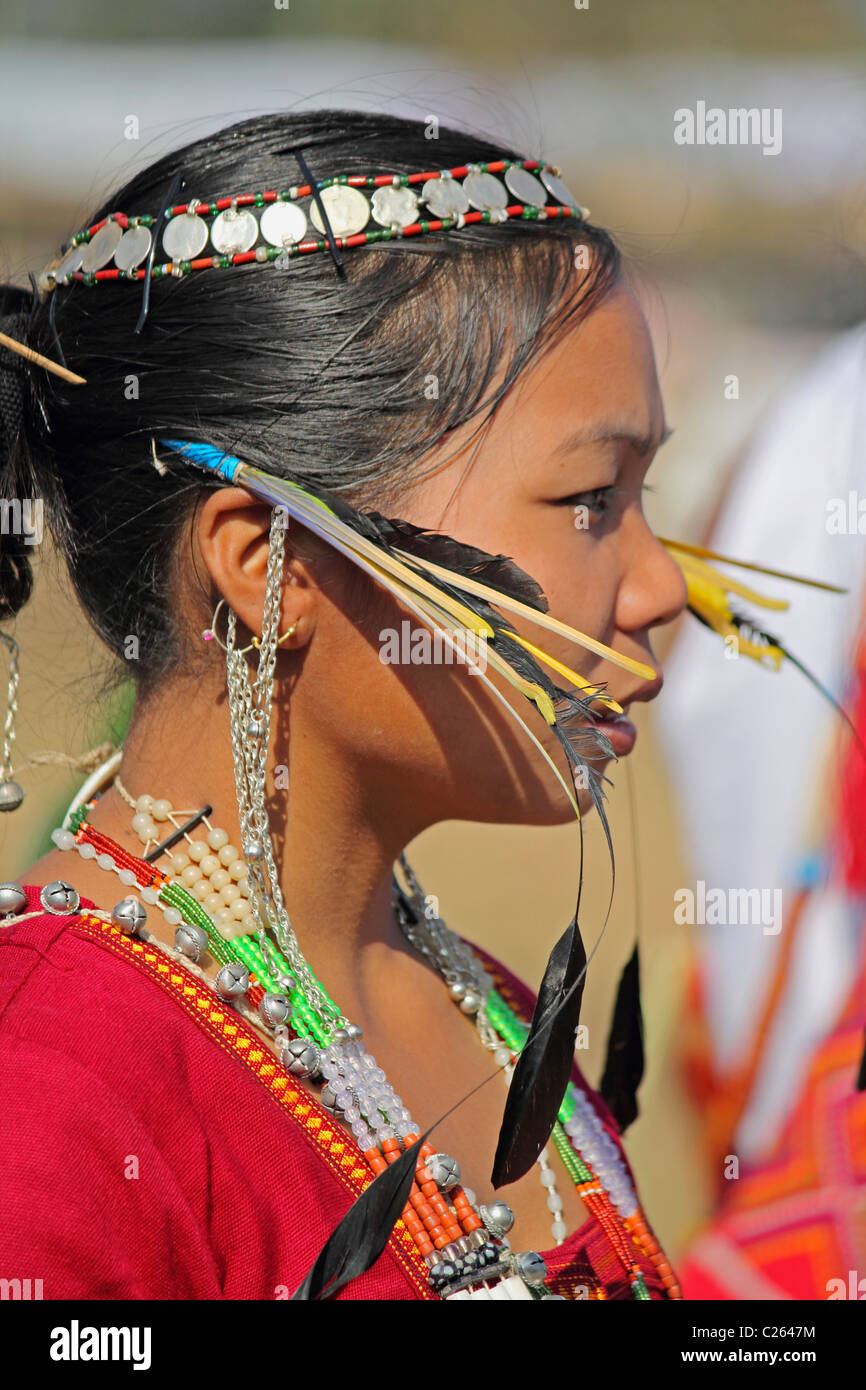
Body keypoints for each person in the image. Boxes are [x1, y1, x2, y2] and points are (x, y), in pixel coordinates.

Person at [0, 109, 688, 1301]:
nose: (660, 584)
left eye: (642, 492)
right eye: (587, 499)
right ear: (271, 566)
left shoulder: (499, 1021)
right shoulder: (48, 1091)